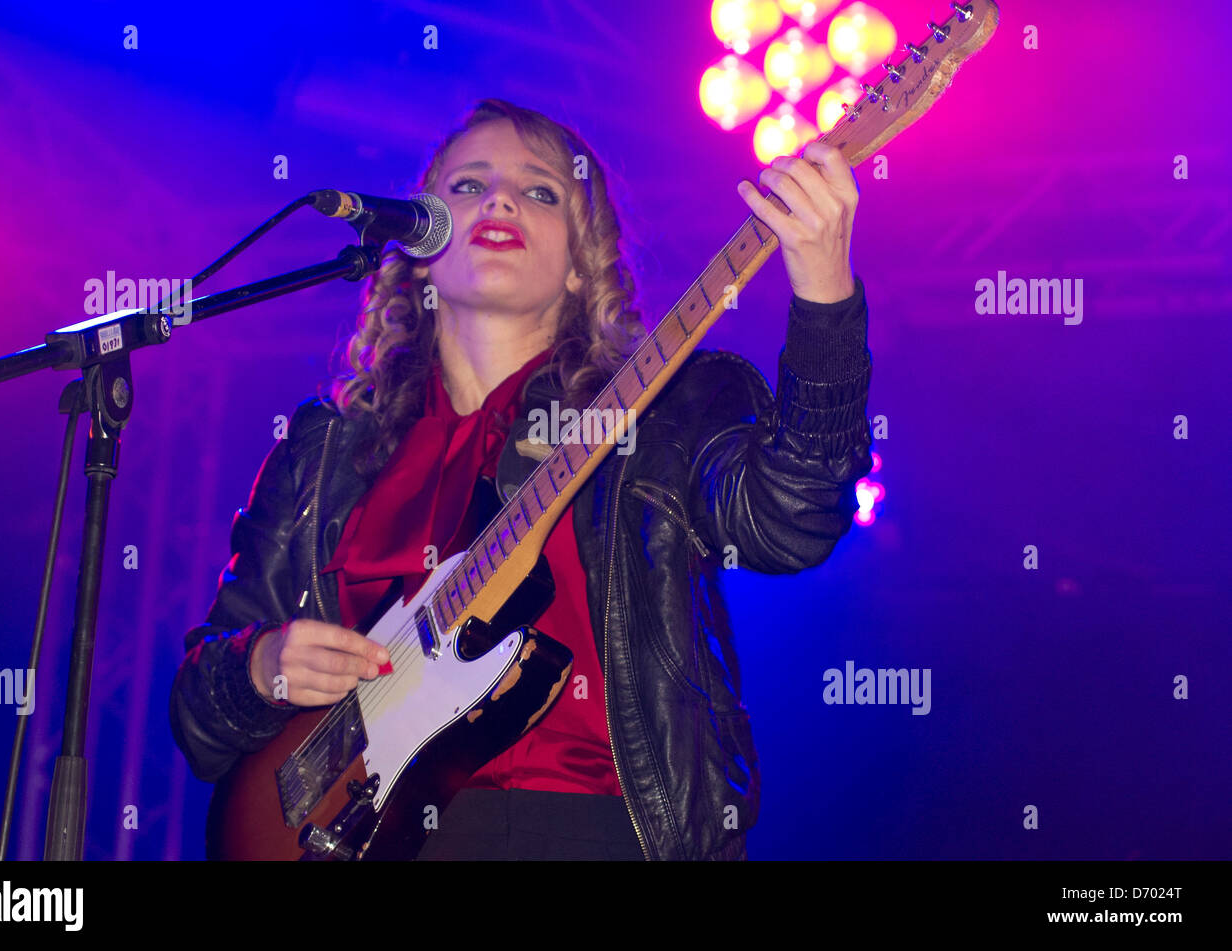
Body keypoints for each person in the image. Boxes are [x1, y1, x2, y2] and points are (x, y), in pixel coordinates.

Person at [169, 98, 872, 860]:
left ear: (580, 266)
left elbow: (795, 516)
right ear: (417, 244)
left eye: (540, 191)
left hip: (599, 833)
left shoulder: (668, 408)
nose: (499, 199)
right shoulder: (324, 449)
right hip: (365, 837)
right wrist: (262, 665)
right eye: (468, 186)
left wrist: (825, 297)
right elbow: (199, 714)